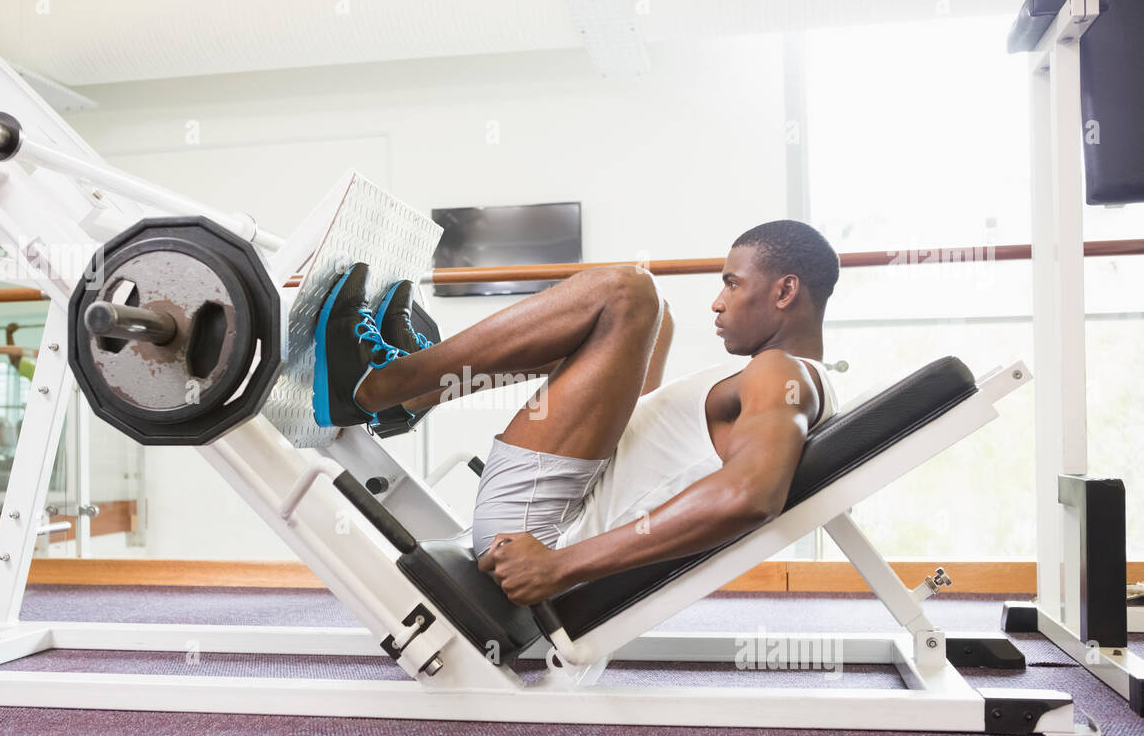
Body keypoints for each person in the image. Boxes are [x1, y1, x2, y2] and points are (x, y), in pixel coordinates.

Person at [312, 220, 841, 605]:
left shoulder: (781, 373)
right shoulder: (795, 379)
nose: (718, 302)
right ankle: (419, 392)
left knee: (625, 292)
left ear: (785, 290)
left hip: (541, 535)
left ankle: (377, 386)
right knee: (657, 321)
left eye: (732, 283)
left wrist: (559, 566)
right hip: (569, 504)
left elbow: (750, 496)